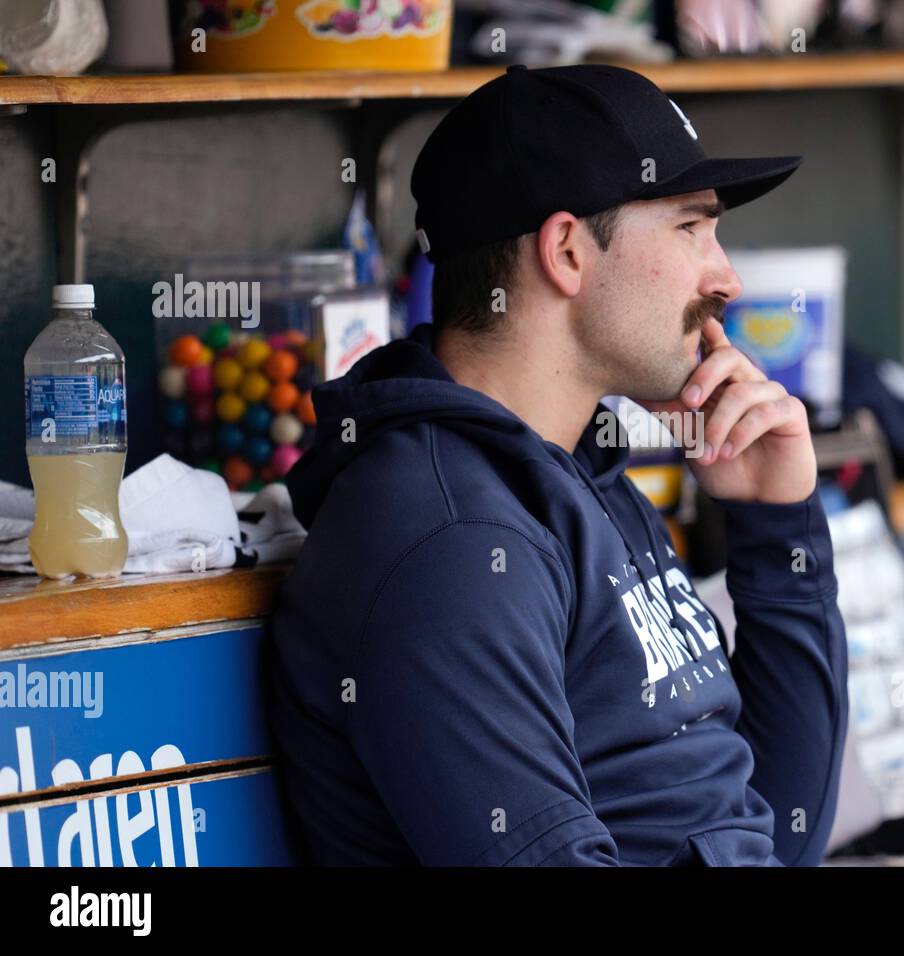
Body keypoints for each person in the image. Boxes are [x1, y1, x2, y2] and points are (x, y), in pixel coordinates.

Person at [268, 63, 848, 866]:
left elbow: (784, 835)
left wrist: (776, 525)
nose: (727, 278)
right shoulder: (453, 540)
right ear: (568, 252)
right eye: (690, 228)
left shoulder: (581, 472)